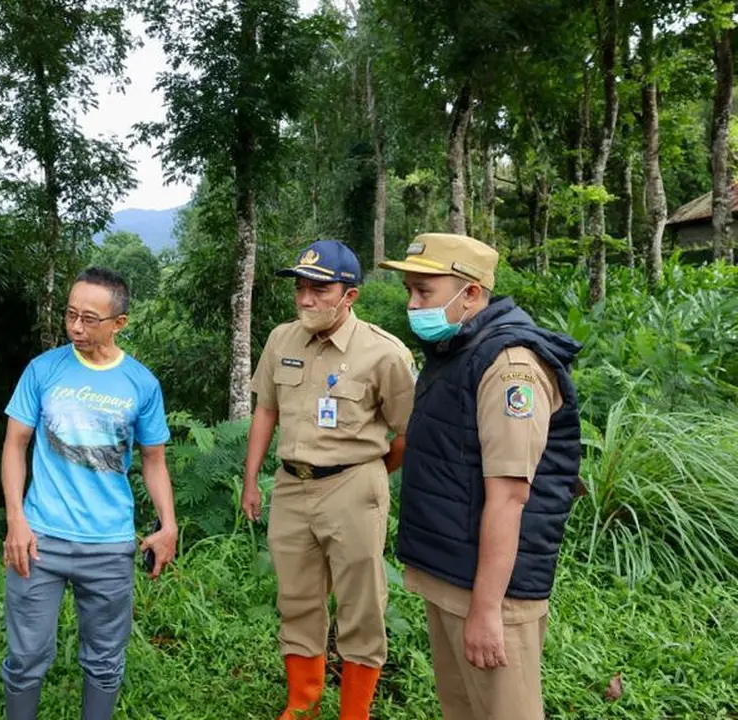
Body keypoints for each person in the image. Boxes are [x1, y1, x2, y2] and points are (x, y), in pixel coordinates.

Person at [379, 233, 583, 720]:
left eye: (424, 292)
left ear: (470, 293)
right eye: (409, 290)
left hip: (490, 591)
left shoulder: (511, 366)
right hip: (450, 575)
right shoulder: (457, 352)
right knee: (463, 709)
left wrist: (487, 610)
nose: (412, 304)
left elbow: (510, 496)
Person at [242, 239, 416, 720]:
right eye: (301, 288)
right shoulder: (282, 340)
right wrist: (251, 479)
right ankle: (302, 705)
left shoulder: (385, 354)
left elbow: (409, 431)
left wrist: (371, 474)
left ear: (349, 296)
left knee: (361, 606)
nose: (306, 299)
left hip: (354, 488)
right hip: (291, 487)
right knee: (296, 598)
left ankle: (354, 713)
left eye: (319, 289)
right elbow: (266, 410)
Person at [0, 267, 179, 720]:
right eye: (70, 315)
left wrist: (168, 525)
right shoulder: (43, 370)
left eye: (89, 319)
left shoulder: (141, 383)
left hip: (109, 544)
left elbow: (154, 460)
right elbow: (15, 444)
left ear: (119, 323)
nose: (76, 327)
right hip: (39, 539)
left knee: (104, 663)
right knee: (25, 659)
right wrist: (16, 520)